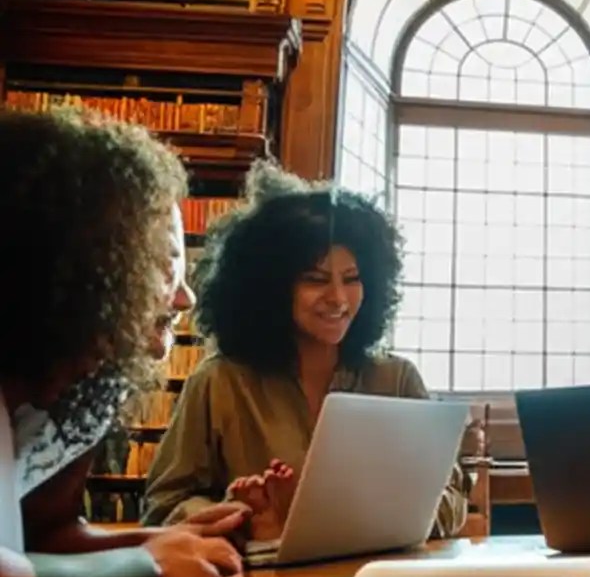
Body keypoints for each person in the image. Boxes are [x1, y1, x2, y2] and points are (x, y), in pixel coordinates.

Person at [141, 163, 470, 540]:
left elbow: (451, 496)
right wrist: (241, 516)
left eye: (352, 279)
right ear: (272, 288)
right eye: (315, 280)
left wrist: (348, 518)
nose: (338, 298)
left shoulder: (396, 379)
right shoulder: (220, 382)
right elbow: (164, 507)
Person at [0, 109, 247, 577]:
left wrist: (154, 541)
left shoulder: (63, 394)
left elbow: (42, 542)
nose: (184, 300)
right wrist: (147, 568)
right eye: (160, 264)